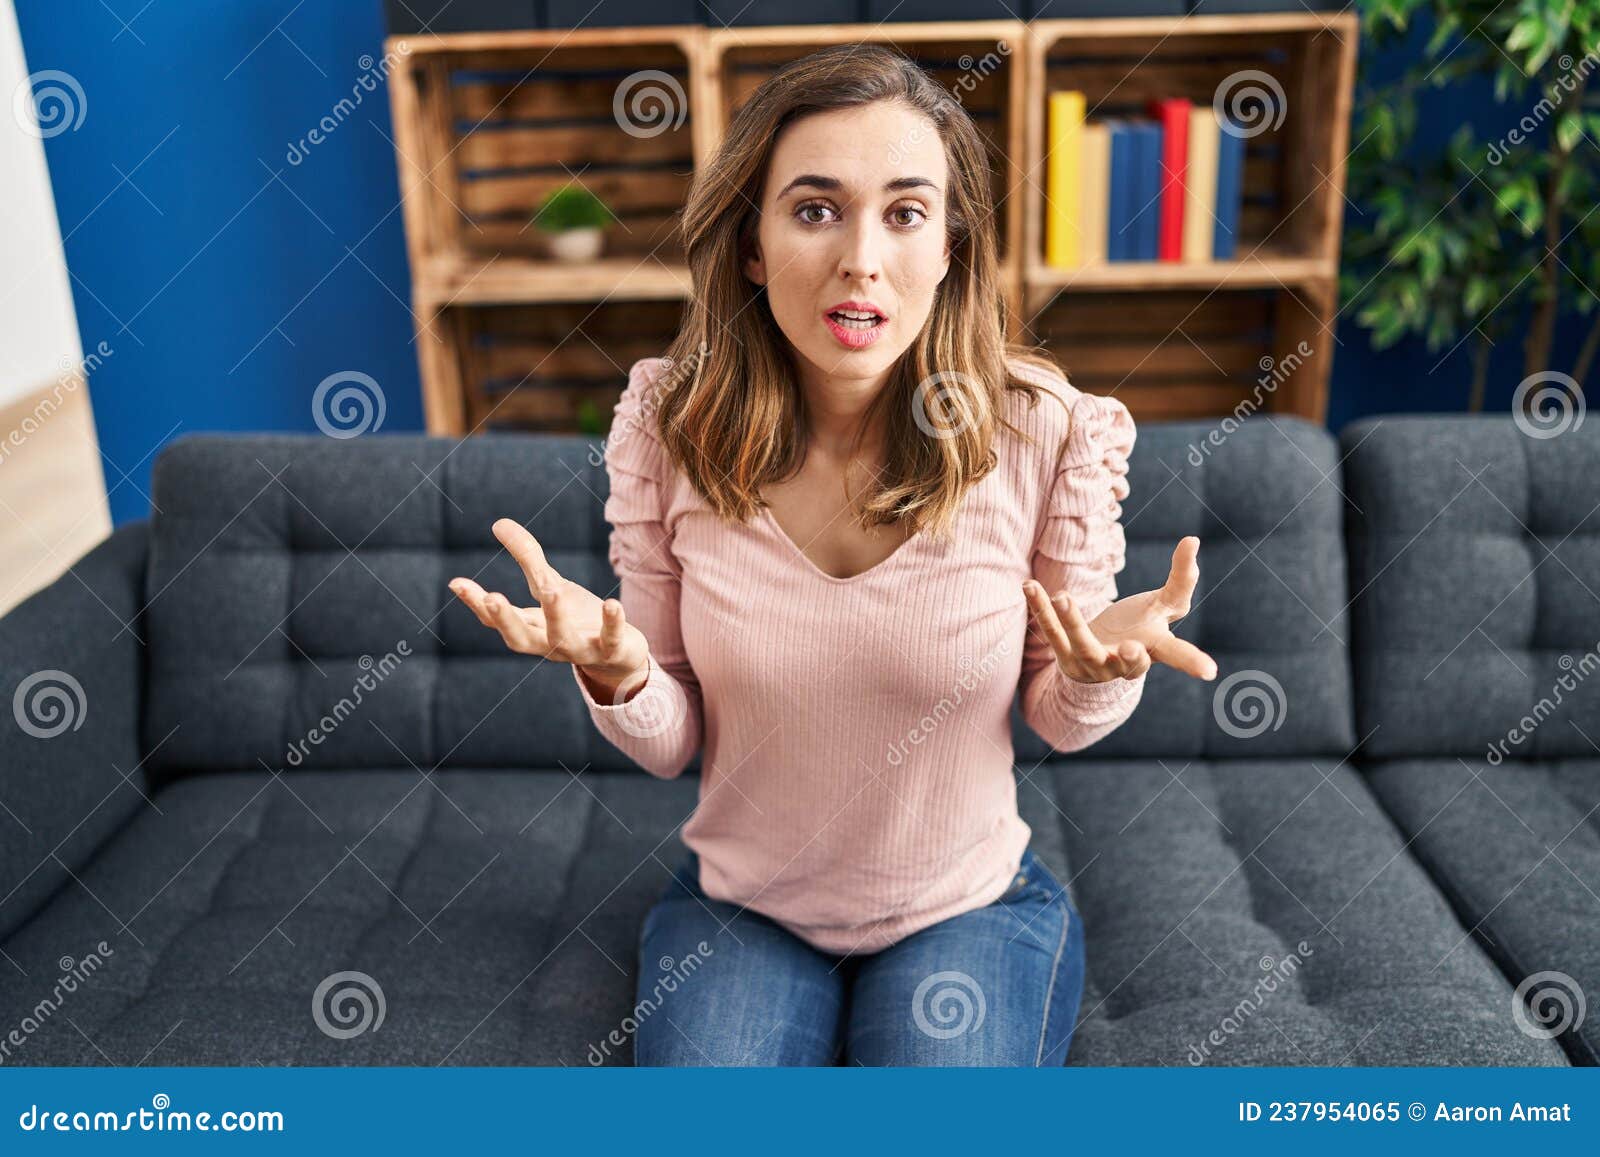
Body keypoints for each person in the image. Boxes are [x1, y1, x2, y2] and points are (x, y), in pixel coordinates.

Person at [449, 43, 1218, 1066]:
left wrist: (1098, 670)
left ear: (949, 248)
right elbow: (671, 743)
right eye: (815, 209)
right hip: (744, 906)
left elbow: (1056, 719)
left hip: (967, 906)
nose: (861, 257)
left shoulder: (1047, 431)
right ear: (752, 245)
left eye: (905, 213)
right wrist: (618, 667)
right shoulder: (670, 426)